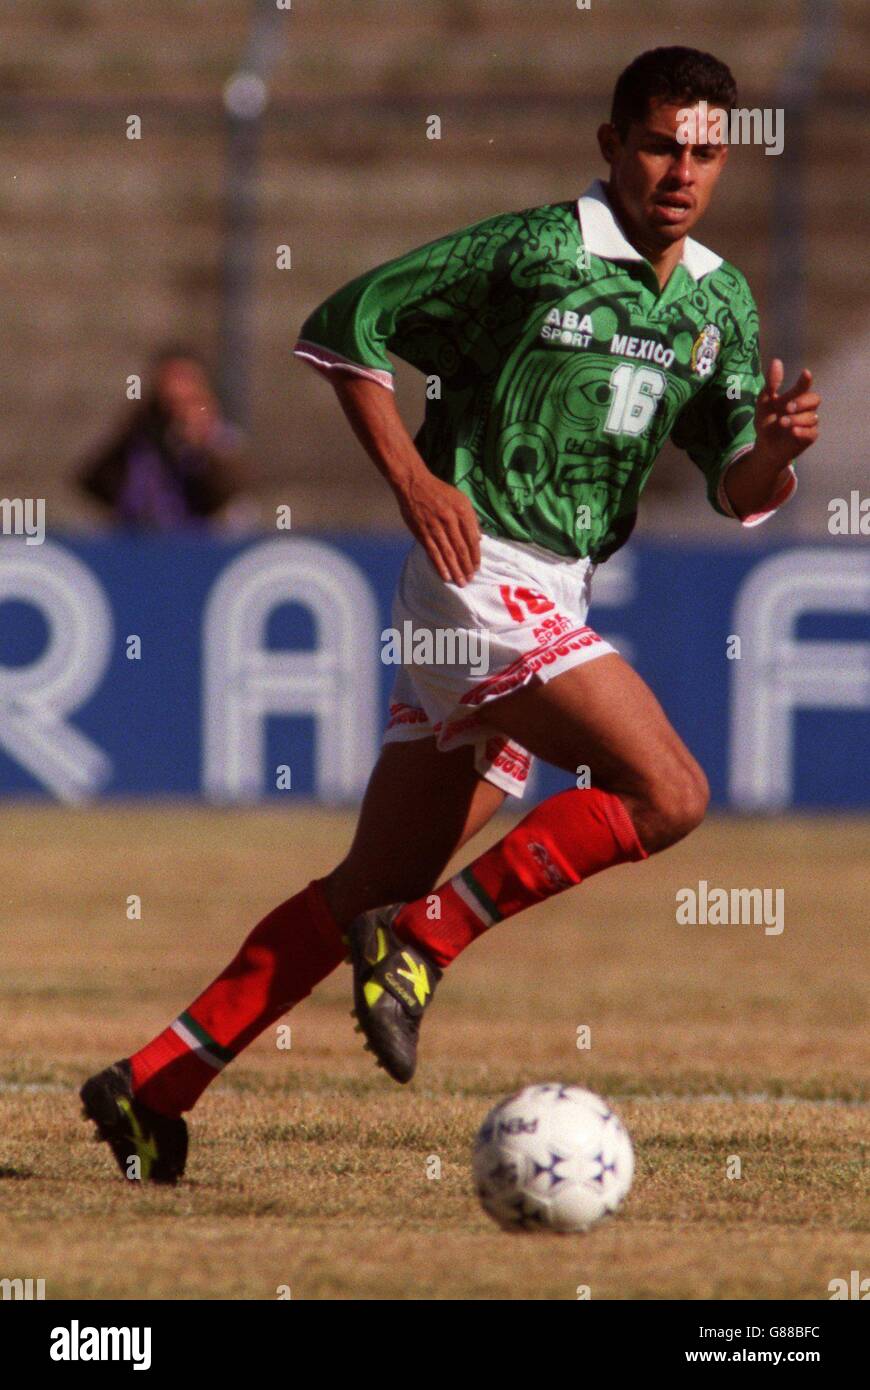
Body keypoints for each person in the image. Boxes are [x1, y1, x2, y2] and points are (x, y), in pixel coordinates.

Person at [80, 47, 820, 1182]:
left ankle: (153, 1083)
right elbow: (345, 327)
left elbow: (736, 488)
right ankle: (424, 945)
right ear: (612, 145)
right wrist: (417, 486)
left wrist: (772, 452)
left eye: (706, 151)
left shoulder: (717, 299)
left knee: (369, 883)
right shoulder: (531, 252)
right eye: (663, 143)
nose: (682, 170)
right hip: (480, 568)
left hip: (550, 585)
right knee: (668, 791)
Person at [77, 348, 246, 529]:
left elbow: (232, 493)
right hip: (140, 538)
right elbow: (96, 479)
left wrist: (202, 444)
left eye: (185, 380)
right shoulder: (141, 436)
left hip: (199, 542)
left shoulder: (220, 439)